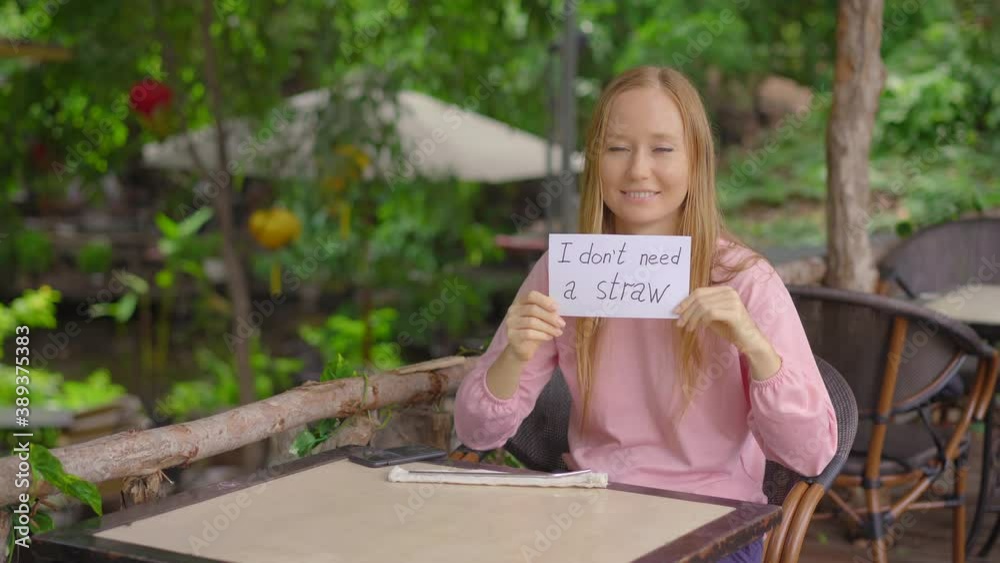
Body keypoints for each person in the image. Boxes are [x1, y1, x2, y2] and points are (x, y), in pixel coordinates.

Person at [453, 66, 837, 563]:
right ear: (595, 160)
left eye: (662, 149)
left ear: (696, 159)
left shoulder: (745, 279)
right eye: (617, 148)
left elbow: (811, 454)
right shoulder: (566, 271)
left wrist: (754, 345)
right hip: (593, 513)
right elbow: (476, 433)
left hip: (712, 525)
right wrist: (514, 355)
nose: (637, 170)